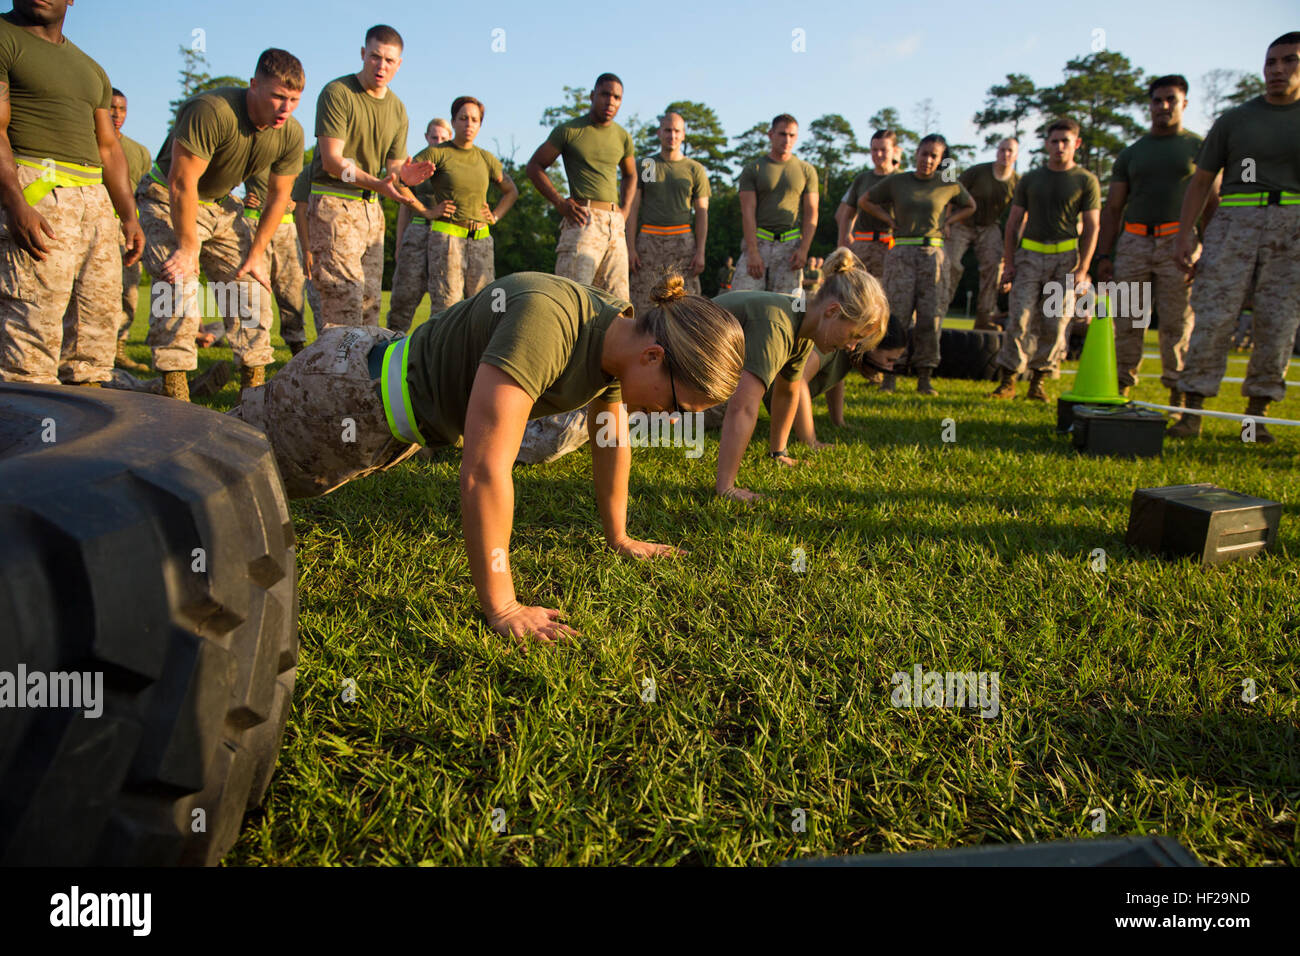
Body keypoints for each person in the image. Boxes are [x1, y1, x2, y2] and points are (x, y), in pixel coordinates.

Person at [229, 272, 745, 644]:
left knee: (234, 480)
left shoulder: (619, 338)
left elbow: (610, 440)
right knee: (225, 474)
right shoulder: (549, 324)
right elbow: (484, 470)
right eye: (680, 405)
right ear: (654, 357)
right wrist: (503, 606)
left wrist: (620, 537)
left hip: (385, 412)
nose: (674, 419)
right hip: (344, 397)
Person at [137, 48, 305, 400]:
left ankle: (254, 395)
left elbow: (278, 198)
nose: (284, 108)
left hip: (221, 206)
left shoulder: (290, 133)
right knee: (177, 285)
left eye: (293, 99)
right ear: (254, 85)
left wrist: (258, 253)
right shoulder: (212, 111)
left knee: (250, 287)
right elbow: (181, 183)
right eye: (277, 96)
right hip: (168, 197)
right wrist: (187, 247)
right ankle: (175, 393)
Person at [0, 0, 144, 387]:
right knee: (31, 333)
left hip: (94, 202)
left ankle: (86, 431)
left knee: (94, 334)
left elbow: (109, 148)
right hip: (38, 191)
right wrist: (15, 203)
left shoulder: (90, 67)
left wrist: (128, 216)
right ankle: (26, 432)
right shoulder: (4, 38)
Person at [1168, 32, 1300, 443]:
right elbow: (1202, 181)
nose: (1277, 69)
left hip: (1292, 226)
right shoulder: (1235, 120)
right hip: (1235, 220)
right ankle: (1191, 413)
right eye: (1271, 62)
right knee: (1213, 315)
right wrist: (1185, 234)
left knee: (1277, 321)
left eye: (1289, 61)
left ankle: (1256, 417)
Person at [520, 73, 637, 464]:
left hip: (613, 225)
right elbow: (535, 166)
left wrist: (624, 210)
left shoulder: (621, 135)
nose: (610, 101)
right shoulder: (570, 130)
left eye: (617, 97)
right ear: (593, 95)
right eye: (605, 94)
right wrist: (560, 202)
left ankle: (609, 406)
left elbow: (632, 174)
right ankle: (553, 407)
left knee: (621, 309)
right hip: (581, 221)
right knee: (571, 312)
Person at [711, 246, 889, 502]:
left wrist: (778, 452)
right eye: (853, 336)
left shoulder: (802, 330)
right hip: (674, 361)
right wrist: (726, 487)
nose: (851, 347)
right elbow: (743, 407)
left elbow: (787, 390)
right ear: (831, 312)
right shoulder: (778, 326)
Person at [307, 24, 433, 330]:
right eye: (375, 56)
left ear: (399, 64)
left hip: (371, 210)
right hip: (334, 204)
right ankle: (329, 375)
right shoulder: (338, 93)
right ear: (364, 54)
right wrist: (375, 183)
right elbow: (333, 161)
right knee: (343, 303)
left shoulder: (398, 109)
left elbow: (391, 170)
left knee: (368, 305)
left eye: (389, 60)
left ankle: (362, 377)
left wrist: (404, 176)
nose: (381, 66)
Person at [1096, 76, 1211, 410]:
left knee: (1176, 322)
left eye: (1171, 100)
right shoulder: (1133, 153)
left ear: (1184, 103)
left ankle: (1178, 397)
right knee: (1128, 320)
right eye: (1157, 100)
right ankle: (1119, 390)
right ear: (1149, 105)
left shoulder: (1198, 148)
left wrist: (1206, 245)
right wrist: (1105, 254)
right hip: (1133, 242)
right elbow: (1113, 208)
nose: (1163, 106)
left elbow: (1212, 201)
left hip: (1179, 241)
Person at [987, 118, 1101, 401]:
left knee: (1056, 322)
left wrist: (1083, 269)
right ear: (1046, 144)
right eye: (1054, 141)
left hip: (1065, 262)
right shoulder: (1031, 179)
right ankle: (1008, 381)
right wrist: (1010, 263)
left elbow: (1092, 226)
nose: (1059, 147)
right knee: (1019, 318)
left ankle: (1038, 382)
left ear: (1076, 144)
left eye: (1066, 141)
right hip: (1029, 257)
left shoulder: (1085, 180)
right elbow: (1013, 223)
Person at [861, 133, 976, 395]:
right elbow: (865, 201)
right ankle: (890, 374)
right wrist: (889, 221)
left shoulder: (947, 182)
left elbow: (970, 205)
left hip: (933, 253)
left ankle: (925, 375)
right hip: (901, 251)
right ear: (916, 154)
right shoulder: (898, 181)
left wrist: (947, 223)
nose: (927, 160)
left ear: (941, 159)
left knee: (930, 316)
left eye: (934, 155)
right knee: (897, 316)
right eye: (924, 154)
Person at [407, 96, 518, 319]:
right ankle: (440, 354)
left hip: (481, 241)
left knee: (484, 307)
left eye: (474, 120)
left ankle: (476, 354)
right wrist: (426, 211)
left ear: (480, 124)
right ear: (454, 121)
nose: (469, 124)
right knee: (446, 309)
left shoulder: (486, 158)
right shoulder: (438, 153)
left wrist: (495, 216)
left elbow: (511, 191)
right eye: (463, 118)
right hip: (447, 241)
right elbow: (402, 181)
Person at [626, 111, 709, 316]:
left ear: (683, 135)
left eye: (676, 131)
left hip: (683, 242)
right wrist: (629, 247)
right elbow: (632, 207)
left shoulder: (694, 169)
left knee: (686, 304)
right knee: (644, 302)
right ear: (659, 133)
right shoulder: (648, 165)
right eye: (667, 130)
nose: (672, 135)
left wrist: (700, 251)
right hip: (648, 241)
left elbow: (701, 213)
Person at [939, 137, 1019, 330]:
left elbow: (1020, 215)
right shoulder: (978, 172)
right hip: (961, 221)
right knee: (950, 264)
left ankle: (985, 316)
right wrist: (946, 222)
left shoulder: (1017, 182)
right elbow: (951, 192)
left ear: (1015, 155)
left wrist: (1012, 254)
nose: (1005, 154)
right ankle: (937, 312)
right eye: (1002, 150)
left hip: (989, 225)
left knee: (992, 266)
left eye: (1010, 151)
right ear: (996, 152)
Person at [733, 113, 818, 294]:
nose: (787, 139)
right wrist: (753, 252)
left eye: (792, 135)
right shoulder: (753, 168)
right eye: (782, 134)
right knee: (741, 300)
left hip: (791, 246)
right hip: (759, 242)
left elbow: (812, 213)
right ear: (771, 135)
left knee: (789, 306)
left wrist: (804, 250)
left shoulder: (806, 170)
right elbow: (747, 212)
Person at [386, 117, 451, 333]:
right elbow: (404, 207)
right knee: (404, 294)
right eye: (434, 137)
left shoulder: (457, 164)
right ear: (426, 137)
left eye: (443, 137)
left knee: (445, 297)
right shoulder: (415, 166)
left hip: (447, 235)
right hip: (418, 232)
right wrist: (399, 245)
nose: (438, 141)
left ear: (450, 138)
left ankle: (436, 349)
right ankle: (393, 343)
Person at [107, 87, 152, 373]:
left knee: (129, 292)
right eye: (111, 107)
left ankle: (119, 350)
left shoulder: (138, 151)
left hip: (129, 230)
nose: (117, 114)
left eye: (122, 108)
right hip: (96, 222)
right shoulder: (88, 143)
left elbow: (146, 193)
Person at [241, 166, 308, 355]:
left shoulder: (289, 153)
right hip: (253, 225)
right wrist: (238, 201)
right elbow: (223, 176)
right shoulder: (252, 149)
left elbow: (301, 180)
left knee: (292, 292)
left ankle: (297, 347)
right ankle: (252, 354)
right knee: (253, 293)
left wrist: (296, 199)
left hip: (286, 228)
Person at [836, 129, 897, 280]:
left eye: (884, 150)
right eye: (874, 150)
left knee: (886, 296)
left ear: (894, 151)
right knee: (857, 294)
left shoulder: (901, 179)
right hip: (861, 246)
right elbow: (846, 215)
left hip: (890, 246)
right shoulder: (862, 179)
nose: (878, 154)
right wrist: (842, 243)